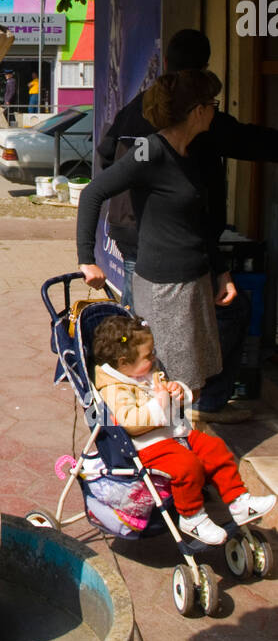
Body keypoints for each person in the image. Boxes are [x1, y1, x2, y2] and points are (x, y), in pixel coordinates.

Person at [97, 28, 278, 422]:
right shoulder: (191, 113)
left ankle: (146, 414)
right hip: (159, 242)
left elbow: (106, 151)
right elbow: (248, 141)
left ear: (166, 63)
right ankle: (183, 409)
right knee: (161, 335)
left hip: (132, 232)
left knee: (141, 333)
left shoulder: (139, 106)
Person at [78, 70, 234, 401]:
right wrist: (86, 259)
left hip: (195, 281)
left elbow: (199, 223)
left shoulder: (191, 153)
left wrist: (221, 271)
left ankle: (184, 444)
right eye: (212, 104)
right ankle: (168, 448)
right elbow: (93, 192)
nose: (215, 110)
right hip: (165, 289)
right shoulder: (151, 151)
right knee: (169, 386)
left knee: (193, 383)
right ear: (198, 111)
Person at [92, 315, 275, 544]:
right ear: (123, 363)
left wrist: (178, 392)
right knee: (187, 466)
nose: (154, 358)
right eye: (148, 356)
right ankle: (192, 517)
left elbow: (169, 397)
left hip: (176, 435)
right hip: (148, 446)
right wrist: (159, 403)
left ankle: (239, 500)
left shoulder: (145, 372)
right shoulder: (114, 388)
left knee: (215, 447)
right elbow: (130, 422)